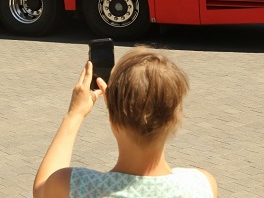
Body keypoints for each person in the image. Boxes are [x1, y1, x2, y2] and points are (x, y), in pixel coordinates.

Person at [34, 47, 217, 198]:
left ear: (112, 116)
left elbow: (41, 189)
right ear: (176, 117)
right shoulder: (203, 186)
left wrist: (75, 114)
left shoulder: (72, 185)